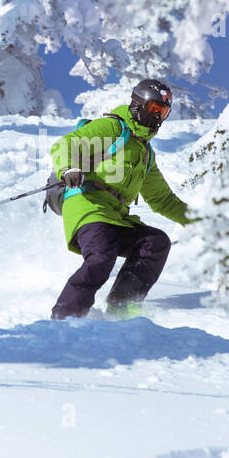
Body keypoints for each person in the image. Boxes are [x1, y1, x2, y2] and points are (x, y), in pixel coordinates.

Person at [49, 79, 194, 319]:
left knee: (155, 243)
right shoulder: (112, 128)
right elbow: (67, 144)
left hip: (116, 217)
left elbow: (163, 200)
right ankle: (66, 315)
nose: (158, 117)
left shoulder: (146, 154)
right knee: (101, 256)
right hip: (88, 205)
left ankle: (121, 304)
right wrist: (69, 168)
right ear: (138, 105)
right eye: (154, 109)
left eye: (164, 112)